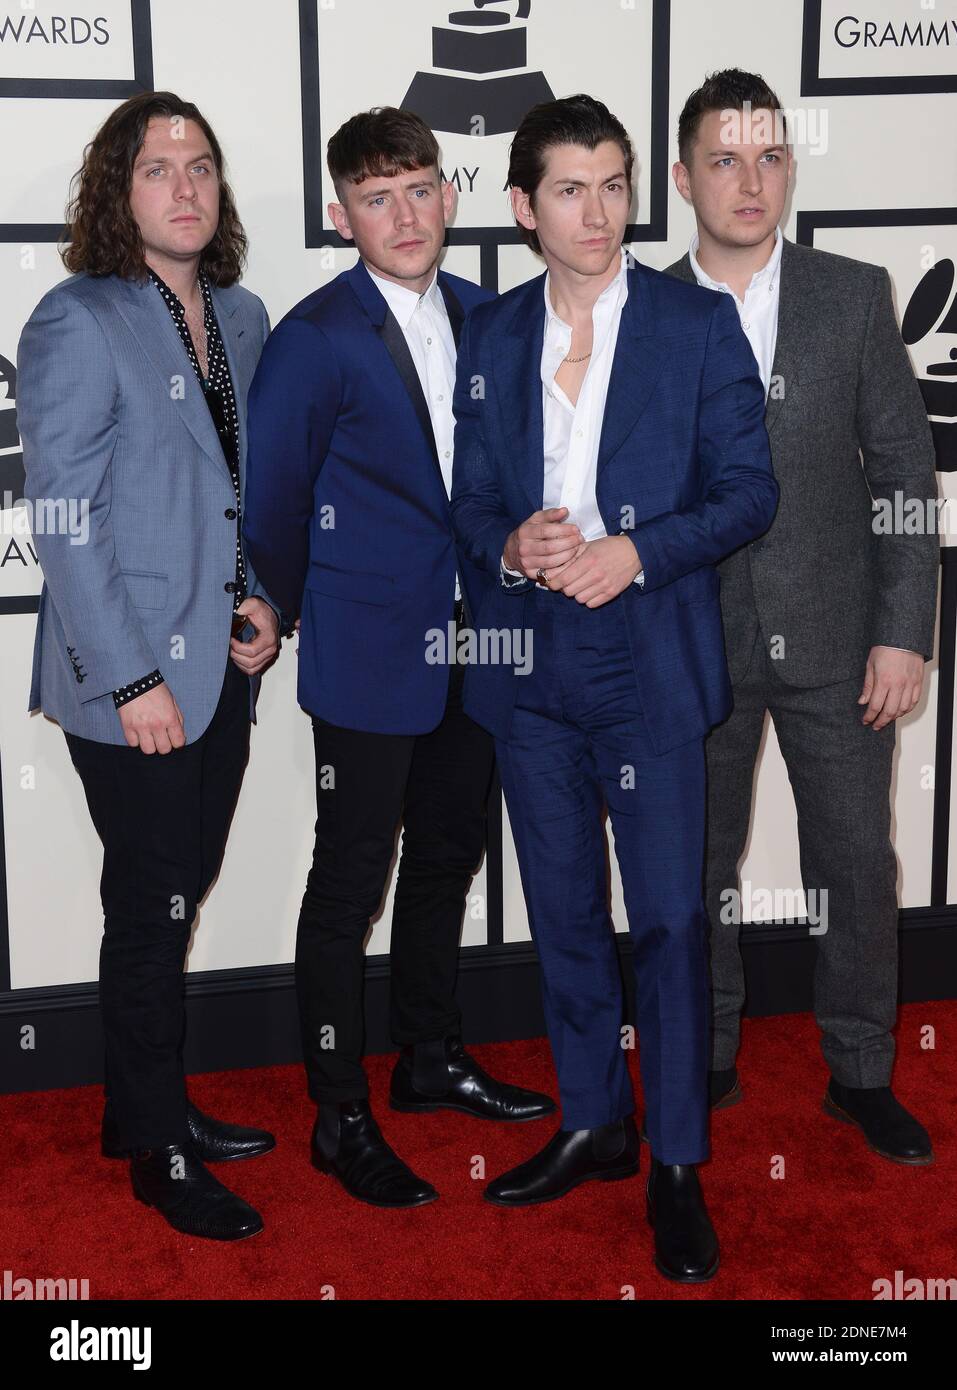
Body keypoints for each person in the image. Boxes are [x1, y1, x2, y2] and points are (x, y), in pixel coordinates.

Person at [450, 93, 778, 1281]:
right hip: (531, 668)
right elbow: (469, 498)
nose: (600, 214)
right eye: (573, 190)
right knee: (566, 914)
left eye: (617, 185)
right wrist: (509, 544)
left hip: (650, 660)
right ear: (524, 206)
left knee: (675, 921)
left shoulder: (697, 325)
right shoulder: (490, 338)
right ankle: (595, 1119)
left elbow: (751, 492)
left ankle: (677, 1160)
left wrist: (634, 550)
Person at [243, 106, 555, 1211]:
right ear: (343, 217)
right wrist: (264, 601)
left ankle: (429, 1056)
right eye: (378, 197)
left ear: (449, 194)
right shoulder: (313, 335)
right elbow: (273, 495)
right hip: (372, 651)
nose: (406, 213)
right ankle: (338, 1111)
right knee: (348, 882)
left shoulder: (490, 314)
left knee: (448, 858)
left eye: (420, 188)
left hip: (481, 640)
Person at [17, 91, 281, 1242]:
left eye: (202, 165)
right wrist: (132, 679)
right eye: (157, 167)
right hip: (125, 678)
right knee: (148, 903)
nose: (185, 185)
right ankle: (158, 1146)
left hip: (224, 664)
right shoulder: (77, 318)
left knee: (174, 891)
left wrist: (265, 598)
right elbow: (66, 517)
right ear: (116, 193)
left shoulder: (247, 316)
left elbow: (247, 491)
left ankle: (148, 1108)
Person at [667, 69, 939, 1163]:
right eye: (725, 159)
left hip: (840, 639)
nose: (751, 180)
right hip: (694, 642)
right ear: (684, 177)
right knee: (696, 862)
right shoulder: (644, 306)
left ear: (791, 165)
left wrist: (904, 627)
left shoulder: (853, 292)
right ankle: (710, 1050)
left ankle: (862, 1072)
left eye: (771, 156)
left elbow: (906, 471)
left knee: (855, 864)